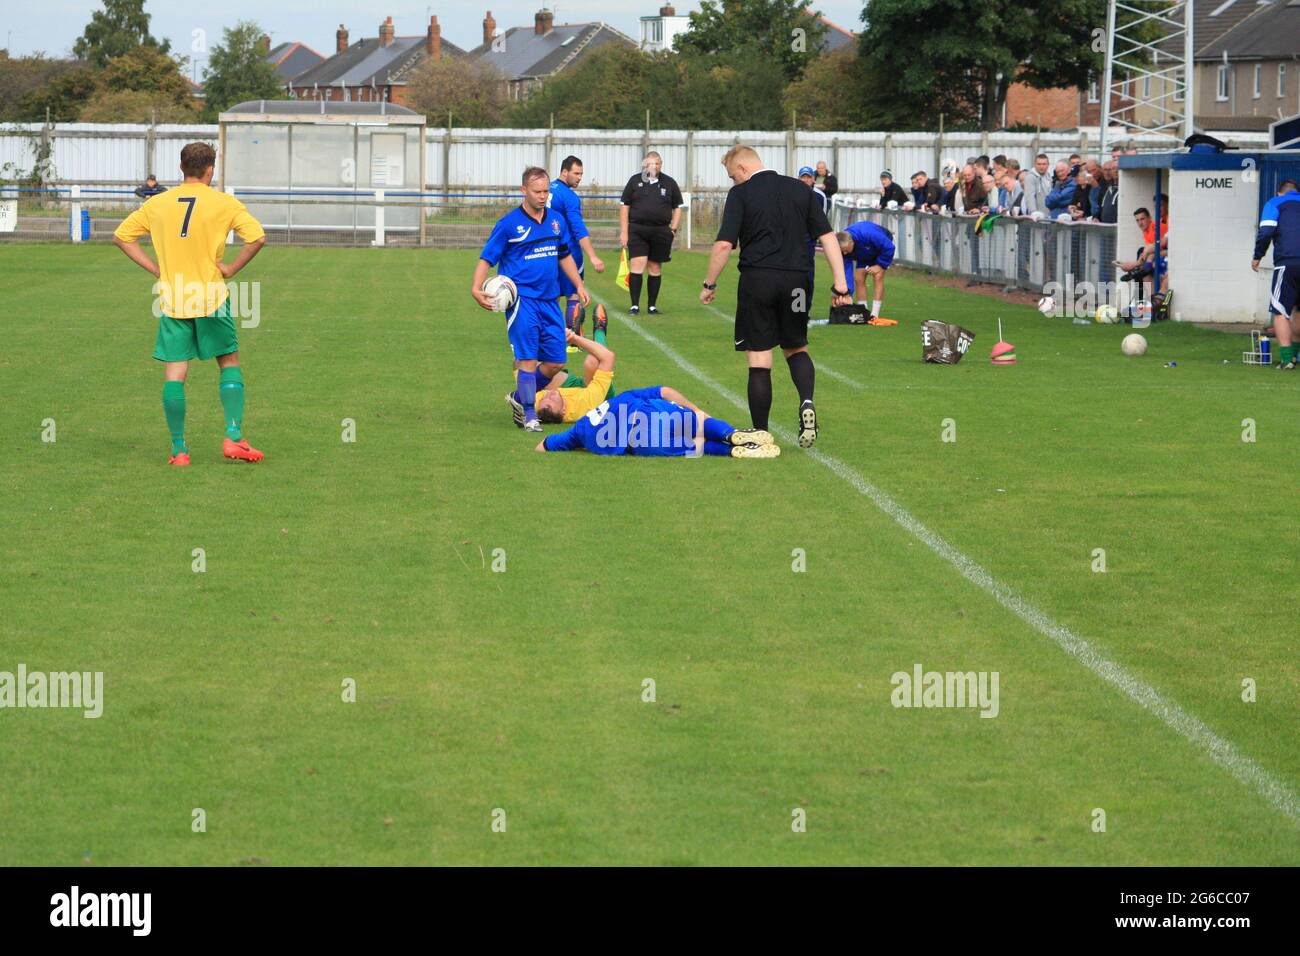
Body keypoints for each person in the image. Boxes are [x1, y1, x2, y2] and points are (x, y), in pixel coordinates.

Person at [111, 142, 266, 466]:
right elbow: (257, 237)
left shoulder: (158, 204)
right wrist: (232, 269)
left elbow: (122, 237)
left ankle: (179, 450)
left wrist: (156, 268)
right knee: (229, 362)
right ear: (211, 169)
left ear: (182, 168)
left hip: (172, 299)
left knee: (175, 373)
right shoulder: (224, 203)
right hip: (211, 297)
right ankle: (234, 438)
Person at [700, 145, 851, 448]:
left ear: (742, 169)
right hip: (797, 282)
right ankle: (806, 401)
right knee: (796, 347)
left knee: (759, 358)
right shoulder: (801, 190)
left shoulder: (741, 194)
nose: (733, 181)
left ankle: (761, 432)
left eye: (732, 176)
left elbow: (723, 245)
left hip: (758, 281)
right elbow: (828, 238)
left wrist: (710, 283)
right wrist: (840, 285)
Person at [473, 166, 590, 433]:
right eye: (537, 191)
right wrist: (475, 287)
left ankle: (519, 396)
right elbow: (487, 258)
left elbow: (564, 255)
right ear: (523, 190)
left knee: (556, 362)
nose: (542, 196)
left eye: (546, 191)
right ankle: (529, 414)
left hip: (550, 301)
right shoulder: (508, 224)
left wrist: (578, 284)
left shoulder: (555, 221)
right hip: (522, 301)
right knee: (527, 360)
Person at [537, 383, 781, 459]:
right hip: (650, 417)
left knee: (697, 446)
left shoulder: (577, 432)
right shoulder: (622, 398)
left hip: (641, 445)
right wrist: (696, 411)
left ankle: (734, 451)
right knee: (695, 424)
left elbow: (543, 445)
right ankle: (731, 434)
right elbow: (664, 391)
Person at [618, 151, 683, 315]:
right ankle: (634, 305)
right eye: (651, 163)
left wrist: (673, 228)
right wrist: (624, 232)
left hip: (661, 231)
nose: (654, 166)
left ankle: (652, 306)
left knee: (654, 267)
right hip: (637, 230)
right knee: (637, 265)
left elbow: (677, 207)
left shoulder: (669, 183)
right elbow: (624, 206)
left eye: (657, 163)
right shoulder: (635, 181)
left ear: (661, 165)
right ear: (645, 165)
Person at [549, 155, 605, 321]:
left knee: (552, 296)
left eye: (581, 174)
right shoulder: (569, 197)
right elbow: (578, 228)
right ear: (565, 172)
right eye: (576, 173)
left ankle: (549, 337)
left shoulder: (546, 189)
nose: (579, 178)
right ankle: (573, 340)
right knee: (573, 294)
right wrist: (593, 257)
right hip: (569, 251)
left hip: (546, 250)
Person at [1252, 179, 1300, 370]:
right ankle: (1296, 355)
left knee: (1280, 311)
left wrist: (1257, 256)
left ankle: (1288, 359)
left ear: (1280, 192)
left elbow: (1266, 232)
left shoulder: (1274, 203)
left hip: (1287, 262)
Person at [837, 221, 894, 320]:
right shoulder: (843, 246)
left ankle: (874, 314)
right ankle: (863, 311)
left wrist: (880, 265)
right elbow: (847, 270)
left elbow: (889, 247)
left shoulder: (869, 234)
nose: (845, 253)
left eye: (846, 250)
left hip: (880, 250)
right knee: (858, 277)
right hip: (863, 251)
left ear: (852, 242)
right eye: (842, 251)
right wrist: (847, 293)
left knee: (878, 276)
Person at [798, 166, 830, 311]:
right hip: (792, 240)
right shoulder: (792, 193)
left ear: (813, 179)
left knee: (808, 275)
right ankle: (791, 308)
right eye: (803, 177)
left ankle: (805, 309)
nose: (805, 180)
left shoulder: (819, 196)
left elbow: (822, 219)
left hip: (808, 240)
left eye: (808, 177)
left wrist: (816, 236)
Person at [1022, 153, 1052, 217]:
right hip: (1037, 217)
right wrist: (1034, 212)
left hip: (1049, 215)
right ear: (1035, 165)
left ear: (1048, 165)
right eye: (1039, 164)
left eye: (1044, 164)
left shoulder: (1049, 177)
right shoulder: (1030, 177)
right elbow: (1029, 196)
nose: (1041, 166)